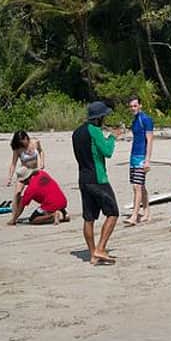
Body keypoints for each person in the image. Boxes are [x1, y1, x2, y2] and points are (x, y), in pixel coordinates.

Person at [71, 101, 123, 265]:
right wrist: (113, 137)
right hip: (98, 179)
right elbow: (107, 151)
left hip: (83, 177)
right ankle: (100, 248)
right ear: (99, 117)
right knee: (113, 213)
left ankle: (93, 254)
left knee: (89, 218)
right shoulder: (95, 131)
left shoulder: (76, 132)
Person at [123, 95, 155, 226]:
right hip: (134, 156)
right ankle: (147, 212)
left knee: (137, 186)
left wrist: (147, 160)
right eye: (131, 106)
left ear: (140, 105)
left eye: (135, 105)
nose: (133, 108)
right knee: (140, 185)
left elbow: (150, 140)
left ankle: (135, 215)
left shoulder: (146, 119)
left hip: (142, 156)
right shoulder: (135, 120)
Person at [5, 130, 45, 206]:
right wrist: (10, 178)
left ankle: (48, 206)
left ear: (26, 138)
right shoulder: (18, 149)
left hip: (35, 172)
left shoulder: (35, 142)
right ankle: (14, 209)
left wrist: (42, 162)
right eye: (19, 143)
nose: (22, 144)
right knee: (17, 193)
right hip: (24, 173)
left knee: (40, 192)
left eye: (22, 142)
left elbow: (41, 151)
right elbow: (13, 163)